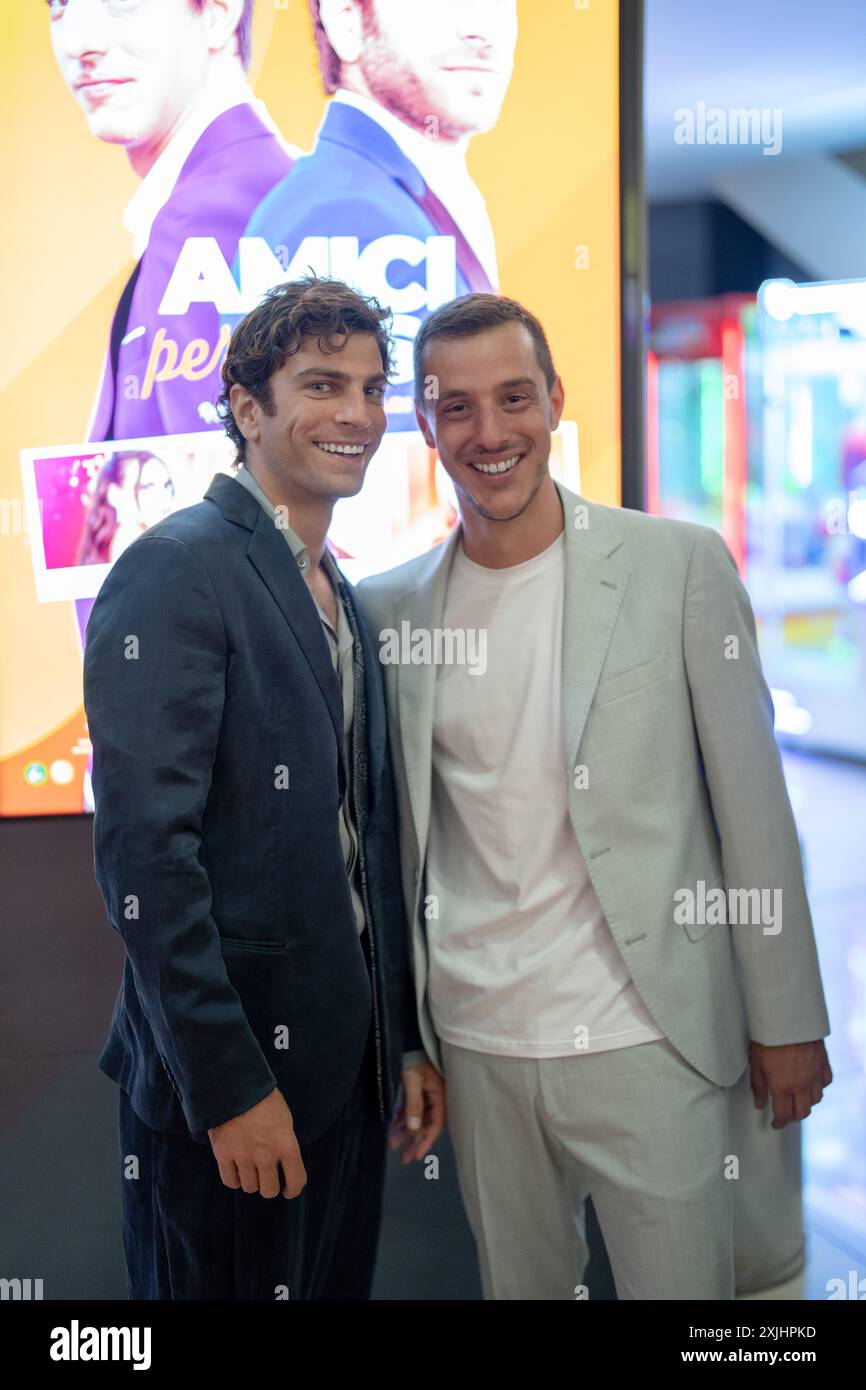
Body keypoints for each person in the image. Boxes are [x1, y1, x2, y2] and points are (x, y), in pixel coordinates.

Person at [356, 291, 833, 1301]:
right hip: (479, 1043)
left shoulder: (675, 566)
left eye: (514, 398)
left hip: (646, 1030)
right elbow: (393, 846)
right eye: (457, 407)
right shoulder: (388, 609)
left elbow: (754, 811)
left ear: (555, 403)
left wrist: (787, 1015)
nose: (490, 433)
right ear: (425, 424)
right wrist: (409, 1037)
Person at [83, 276, 445, 1301]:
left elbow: (359, 840)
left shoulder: (339, 587)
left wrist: (401, 1038)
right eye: (321, 385)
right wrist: (230, 1084)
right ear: (247, 407)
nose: (358, 415)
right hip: (231, 1097)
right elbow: (147, 858)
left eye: (373, 389)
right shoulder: (176, 570)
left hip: (342, 1080)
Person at [242, 0, 517, 429]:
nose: (481, 31)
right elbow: (382, 466)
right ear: (347, 20)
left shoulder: (404, 191)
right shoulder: (348, 214)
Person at [47, 0, 296, 440]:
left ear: (218, 14)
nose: (79, 43)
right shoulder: (226, 190)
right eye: (59, 5)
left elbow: (223, 484)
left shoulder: (209, 211)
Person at [76, 450, 175, 564]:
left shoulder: (139, 538)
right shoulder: (130, 537)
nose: (164, 496)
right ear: (115, 495)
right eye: (147, 487)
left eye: (167, 485)